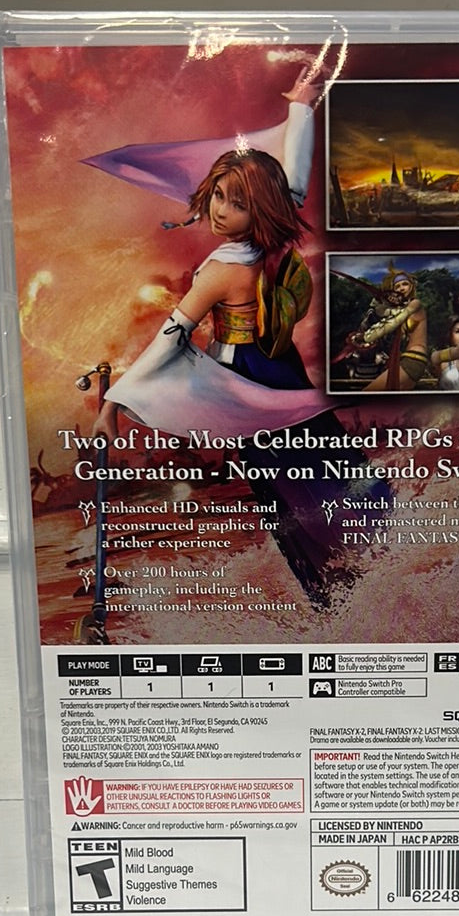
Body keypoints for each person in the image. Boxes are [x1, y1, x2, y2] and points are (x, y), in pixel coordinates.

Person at [92, 73, 389, 606]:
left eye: (235, 203)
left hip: (246, 381)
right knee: (328, 464)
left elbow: (172, 338)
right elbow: (294, 175)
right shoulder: (269, 239)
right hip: (279, 368)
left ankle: (335, 589)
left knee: (289, 487)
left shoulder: (223, 268)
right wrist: (301, 108)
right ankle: (374, 562)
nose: (218, 211)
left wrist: (116, 399)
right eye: (217, 197)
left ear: (262, 210)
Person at [360, 270, 430, 392]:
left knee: (367, 394)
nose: (401, 288)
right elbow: (384, 314)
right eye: (397, 286)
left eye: (405, 284)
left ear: (412, 286)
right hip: (405, 359)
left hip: (414, 359)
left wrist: (366, 337)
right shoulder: (400, 308)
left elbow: (392, 323)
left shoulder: (415, 304)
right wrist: (377, 304)